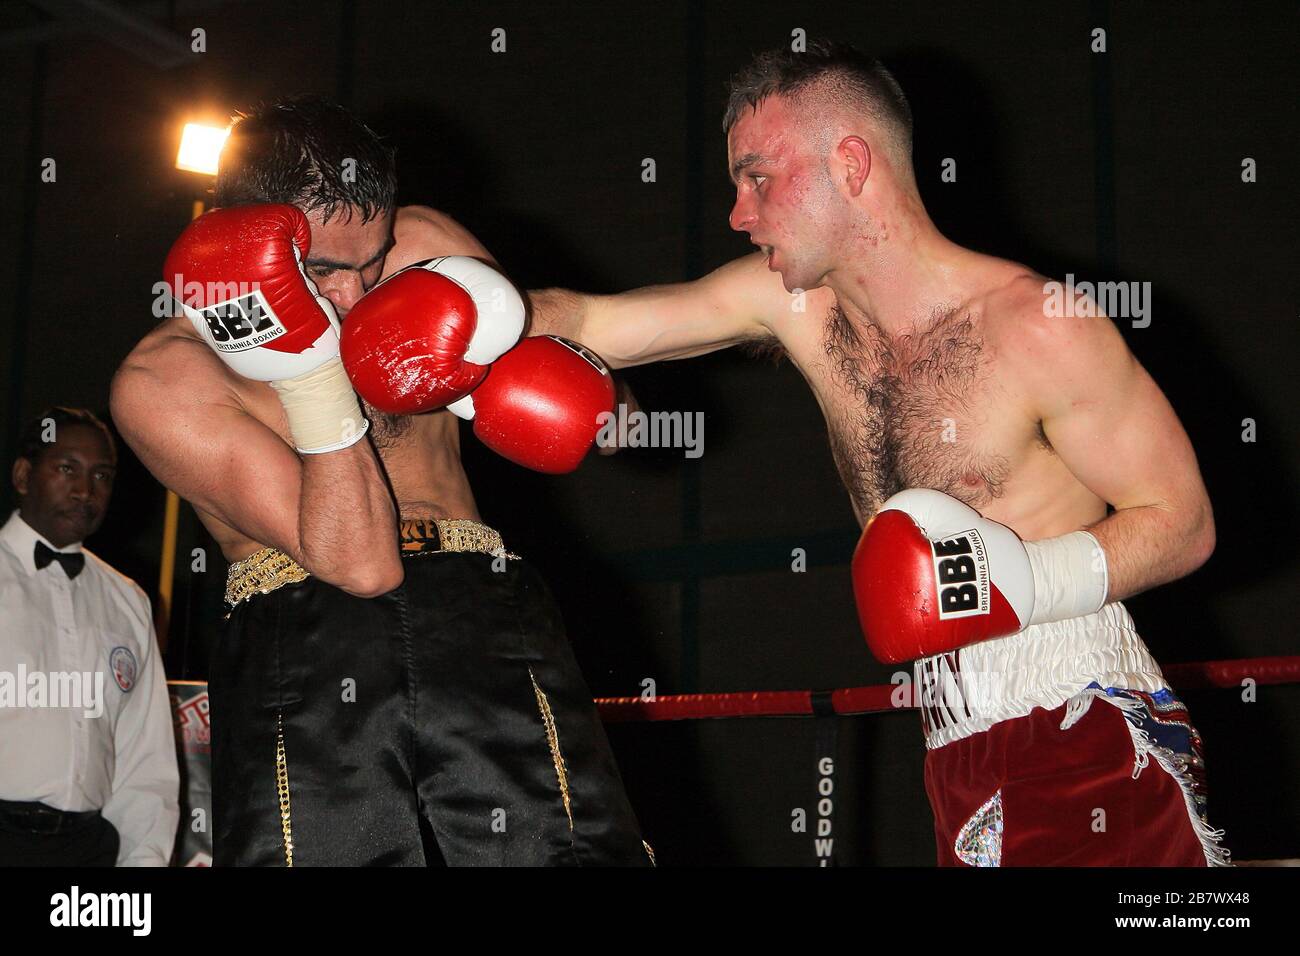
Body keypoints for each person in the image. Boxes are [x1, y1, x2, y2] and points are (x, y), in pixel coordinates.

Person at [530, 41, 1226, 866]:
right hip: (952, 735)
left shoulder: (1038, 325)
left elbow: (1184, 523)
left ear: (851, 165)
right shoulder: (796, 308)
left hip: (1083, 716)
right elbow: (595, 324)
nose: (738, 213)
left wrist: (1024, 582)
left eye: (758, 177)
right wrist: (459, 304)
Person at [112, 97, 649, 866]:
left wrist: (585, 399)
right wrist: (309, 364)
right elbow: (359, 562)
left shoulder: (421, 244)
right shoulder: (164, 378)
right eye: (327, 270)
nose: (362, 296)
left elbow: (611, 418)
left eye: (375, 260)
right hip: (302, 631)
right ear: (240, 236)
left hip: (478, 607)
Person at [0, 407, 179, 866]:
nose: (85, 491)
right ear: (23, 475)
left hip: (87, 850)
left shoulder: (128, 600)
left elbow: (146, 757)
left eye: (101, 475)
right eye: (67, 469)